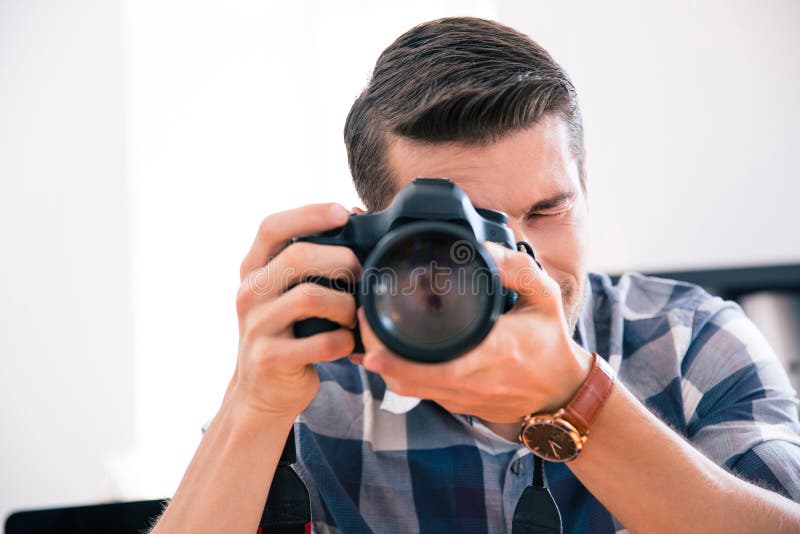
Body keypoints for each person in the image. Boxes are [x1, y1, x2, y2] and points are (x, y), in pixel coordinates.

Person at [151, 17, 800, 533]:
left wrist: (577, 399)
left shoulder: (693, 345)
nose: (519, 264)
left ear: (586, 188)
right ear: (380, 237)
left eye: (548, 210)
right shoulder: (318, 382)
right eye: (470, 234)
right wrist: (253, 407)